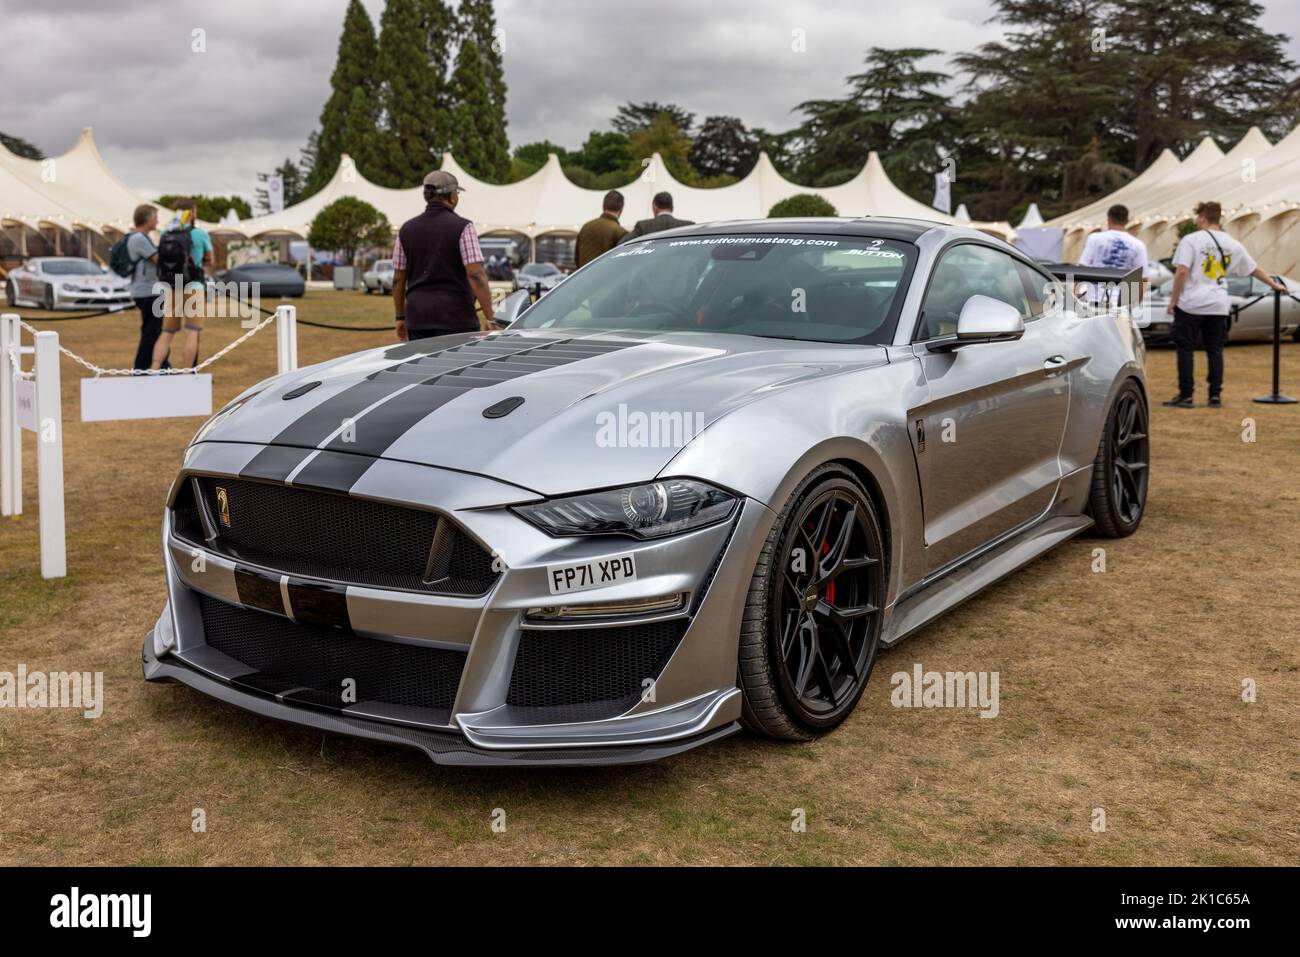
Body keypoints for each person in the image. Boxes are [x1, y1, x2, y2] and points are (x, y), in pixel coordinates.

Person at [1164, 201, 1287, 408]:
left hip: (1191, 303)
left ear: (1202, 218)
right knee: (1215, 349)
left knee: (1185, 348)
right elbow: (1253, 268)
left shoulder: (1191, 240)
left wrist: (1173, 301)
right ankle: (1215, 395)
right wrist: (1273, 284)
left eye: (1197, 218)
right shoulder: (1232, 243)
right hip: (1218, 303)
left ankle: (1186, 395)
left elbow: (1182, 271)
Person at [392, 169, 494, 341]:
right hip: (457, 318)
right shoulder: (464, 227)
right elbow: (476, 273)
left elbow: (398, 279)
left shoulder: (406, 230)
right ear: (452, 196)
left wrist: (400, 317)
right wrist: (491, 318)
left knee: (423, 360)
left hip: (418, 319)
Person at [149, 198, 212, 371]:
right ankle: (186, 373)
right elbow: (209, 259)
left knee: (166, 333)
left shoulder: (165, 233)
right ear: (192, 213)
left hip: (172, 287)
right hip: (194, 287)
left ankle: (154, 369)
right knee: (192, 332)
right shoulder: (200, 234)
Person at [1079, 204, 1149, 306]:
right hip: (1122, 303)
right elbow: (1143, 278)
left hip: (1094, 300)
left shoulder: (1094, 238)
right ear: (1127, 221)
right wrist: (1137, 303)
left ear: (1108, 219)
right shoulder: (1138, 245)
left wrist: (1076, 294)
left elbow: (1082, 268)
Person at [126, 204, 168, 372]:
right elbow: (158, 259)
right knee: (151, 333)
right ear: (147, 219)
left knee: (155, 331)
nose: (157, 221)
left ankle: (162, 365)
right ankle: (141, 368)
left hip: (148, 290)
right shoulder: (139, 239)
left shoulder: (141, 237)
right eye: (155, 217)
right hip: (147, 291)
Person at [575, 190, 628, 266]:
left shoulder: (586, 227)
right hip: (607, 273)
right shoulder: (621, 232)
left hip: (585, 273)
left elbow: (576, 258)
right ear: (621, 209)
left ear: (603, 206)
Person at [620, 191, 693, 242]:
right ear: (672, 207)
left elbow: (622, 244)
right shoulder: (688, 226)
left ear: (654, 207)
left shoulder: (643, 226)